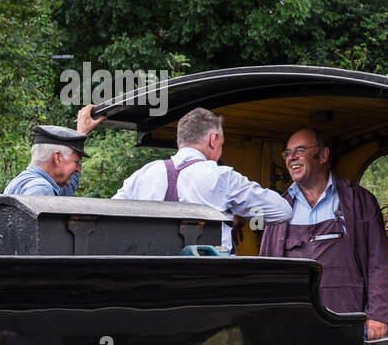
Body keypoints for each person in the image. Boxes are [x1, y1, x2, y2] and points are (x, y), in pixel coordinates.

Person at [258, 128, 388, 338]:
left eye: (299, 150)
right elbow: (265, 268)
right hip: (291, 322)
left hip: (346, 321)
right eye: (287, 153)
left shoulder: (360, 201)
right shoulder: (278, 207)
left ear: (323, 155)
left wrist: (377, 314)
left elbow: (379, 261)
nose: (291, 157)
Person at [113, 107, 291, 250]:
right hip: (206, 282)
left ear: (180, 140)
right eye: (222, 144)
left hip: (152, 281)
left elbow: (111, 217)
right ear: (214, 140)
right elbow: (282, 211)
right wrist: (242, 211)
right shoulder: (223, 177)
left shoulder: (143, 174)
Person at [3, 105, 104, 197]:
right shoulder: (40, 189)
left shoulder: (22, 181)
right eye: (76, 162)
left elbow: (65, 191)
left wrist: (81, 133)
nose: (78, 169)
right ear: (57, 157)